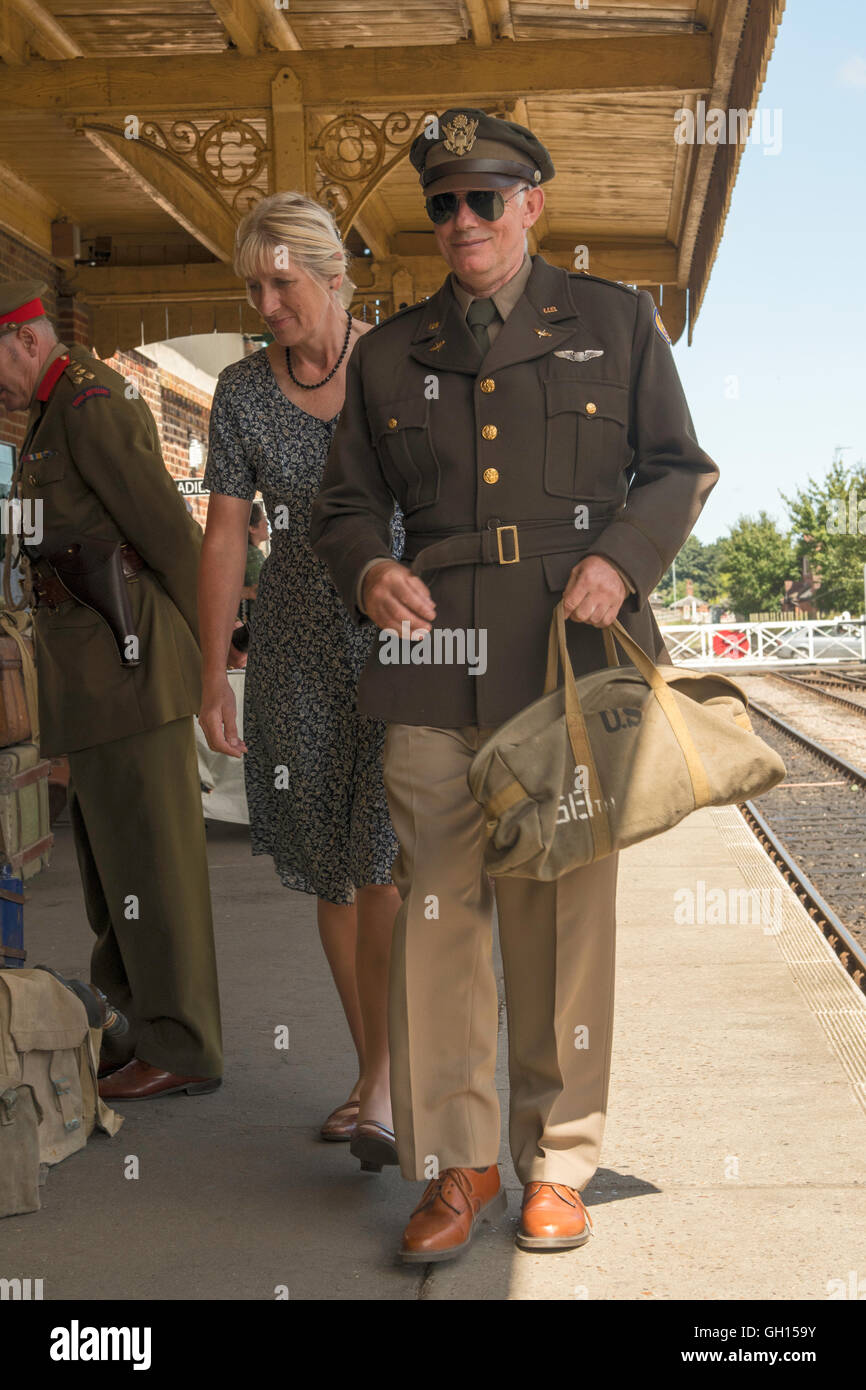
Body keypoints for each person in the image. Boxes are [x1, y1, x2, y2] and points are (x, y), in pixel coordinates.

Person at [310, 109, 719, 1259]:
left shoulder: (612, 320)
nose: (461, 222)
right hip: (433, 664)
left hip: (563, 665)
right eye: (442, 203)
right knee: (438, 916)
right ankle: (455, 1169)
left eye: (484, 198)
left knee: (560, 922)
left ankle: (557, 1160)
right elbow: (341, 507)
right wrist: (372, 567)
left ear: (532, 204)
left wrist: (620, 557)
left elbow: (677, 467)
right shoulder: (388, 352)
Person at [198, 193, 403, 1164]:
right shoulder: (240, 390)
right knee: (331, 865)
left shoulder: (399, 364)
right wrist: (211, 673)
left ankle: (388, 1084)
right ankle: (374, 1079)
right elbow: (227, 533)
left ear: (331, 276)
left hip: (399, 636)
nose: (265, 301)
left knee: (385, 862)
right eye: (253, 285)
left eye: (281, 281)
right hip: (292, 649)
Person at [0, 279, 222, 1101]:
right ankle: (135, 1025)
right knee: (111, 866)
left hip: (133, 670)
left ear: (26, 339)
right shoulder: (49, 415)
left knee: (154, 867)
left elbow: (172, 536)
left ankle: (186, 1045)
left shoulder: (90, 407)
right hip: (92, 680)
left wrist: (209, 672)